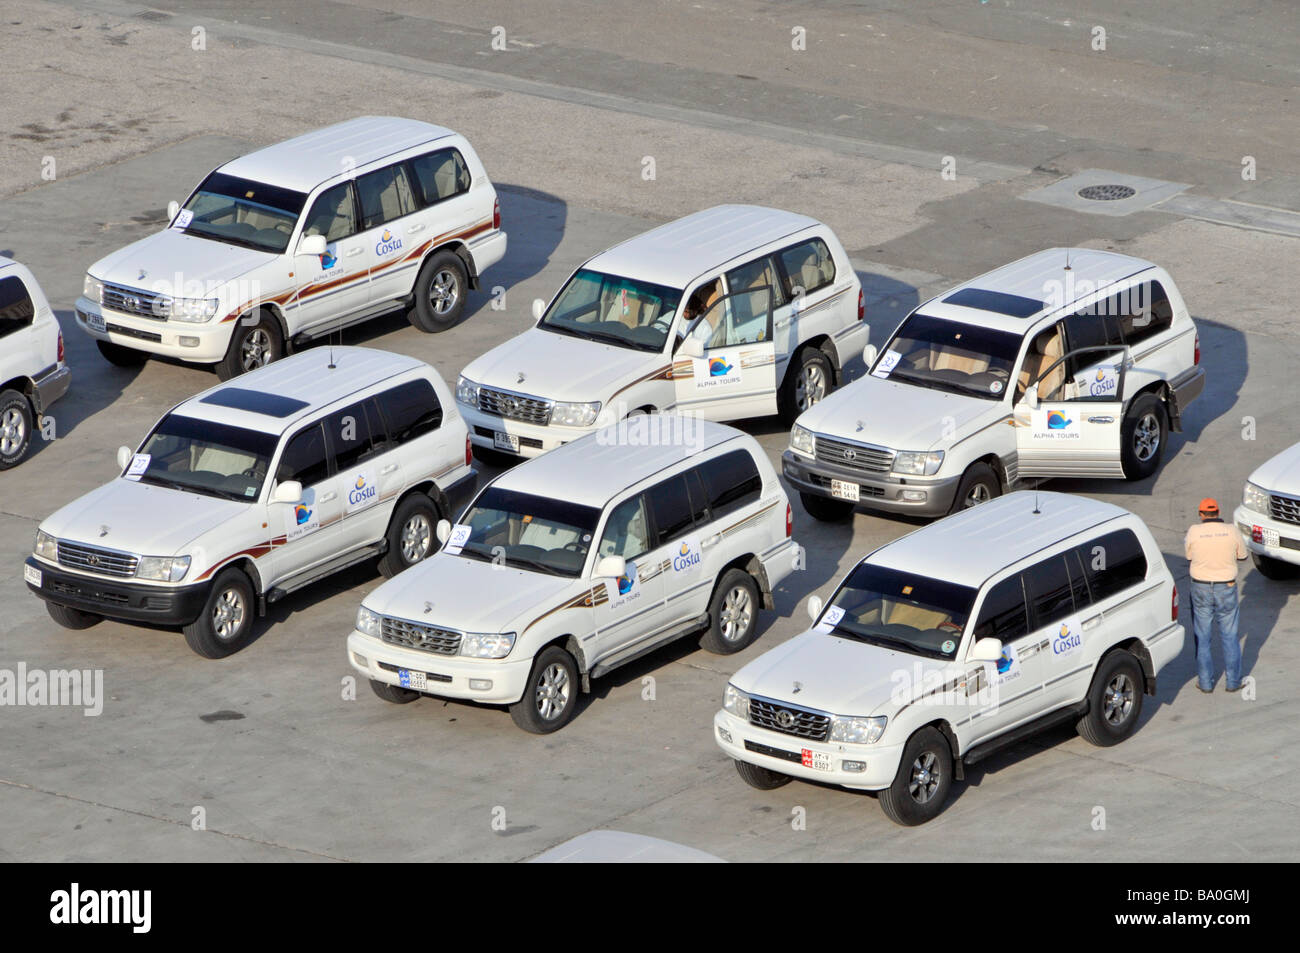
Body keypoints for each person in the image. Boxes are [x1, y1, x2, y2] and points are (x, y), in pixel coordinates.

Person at [1184, 498, 1248, 692]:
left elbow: (1188, 556)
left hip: (1201, 588)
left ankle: (1205, 683)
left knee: (1202, 638)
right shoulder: (1231, 530)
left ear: (1201, 514)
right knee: (1230, 636)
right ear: (1218, 512)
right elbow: (1242, 555)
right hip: (1226, 588)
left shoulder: (1194, 531)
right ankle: (1233, 682)